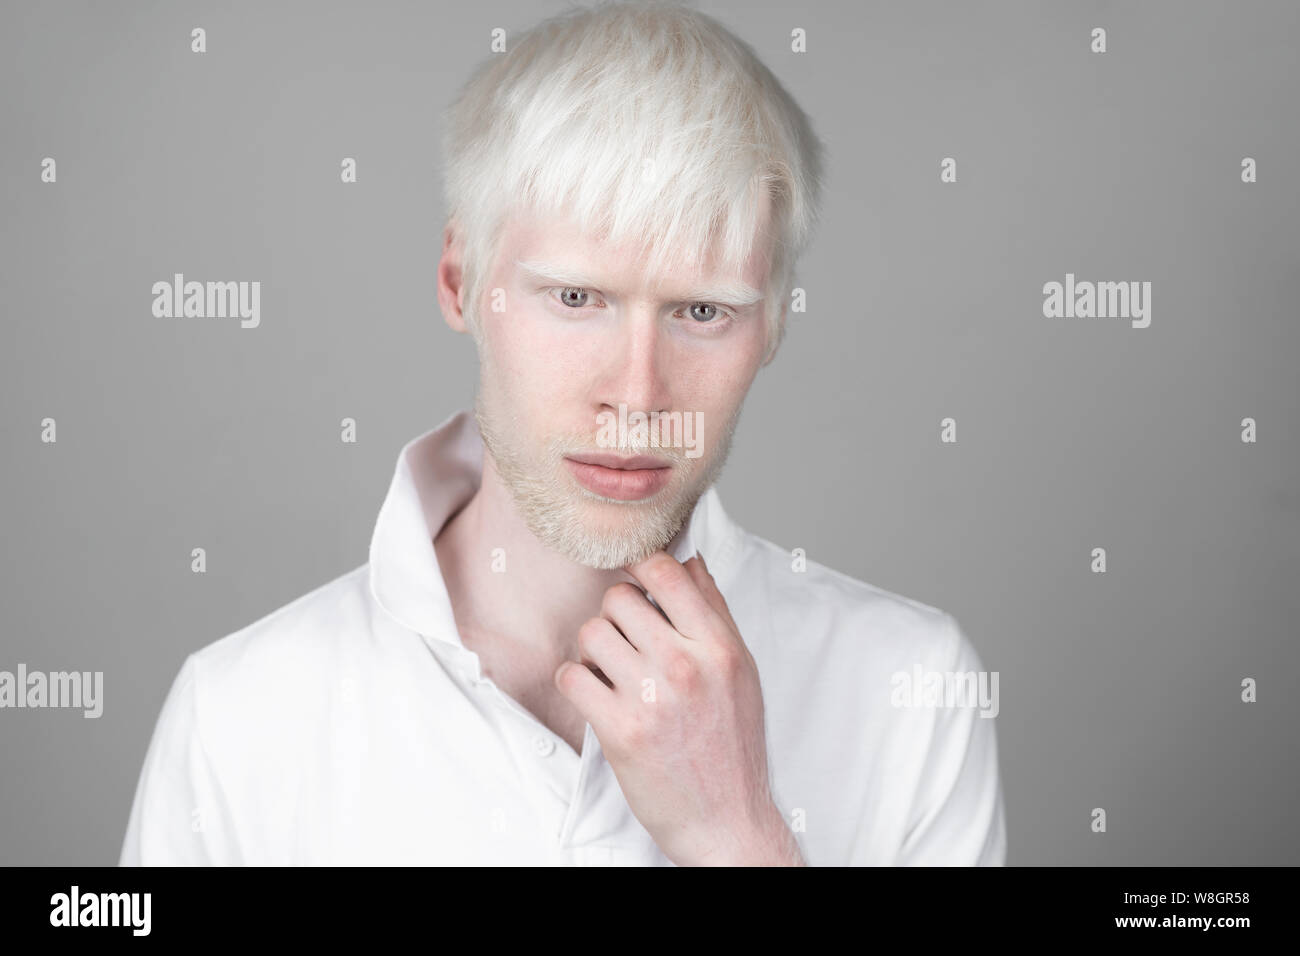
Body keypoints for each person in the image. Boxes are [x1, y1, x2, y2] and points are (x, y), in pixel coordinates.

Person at [120, 0, 1006, 866]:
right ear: (460, 281)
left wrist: (736, 839)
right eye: (577, 299)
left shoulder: (913, 691)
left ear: (772, 325)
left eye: (703, 311)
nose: (636, 395)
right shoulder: (237, 718)